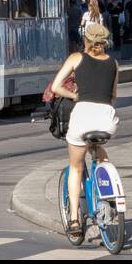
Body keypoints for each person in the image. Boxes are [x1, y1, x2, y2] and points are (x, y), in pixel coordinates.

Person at [48, 22, 119, 243]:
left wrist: (74, 96)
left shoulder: (75, 58)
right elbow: (113, 96)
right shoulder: (113, 63)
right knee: (99, 152)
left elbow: (56, 87)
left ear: (86, 40)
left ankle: (75, 221)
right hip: (106, 118)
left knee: (76, 167)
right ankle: (110, 194)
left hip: (83, 116)